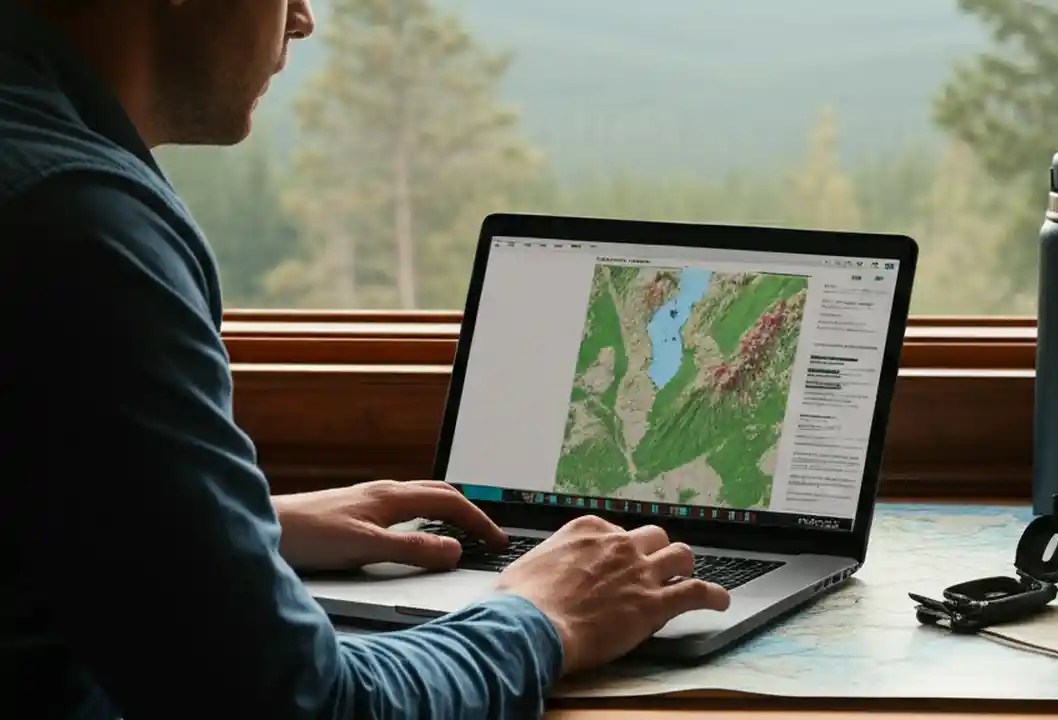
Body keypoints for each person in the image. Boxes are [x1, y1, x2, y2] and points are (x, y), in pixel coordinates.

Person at [0, 1, 732, 718]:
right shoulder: (76, 231)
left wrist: (244, 527)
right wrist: (539, 616)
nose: (301, 19)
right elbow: (303, 703)